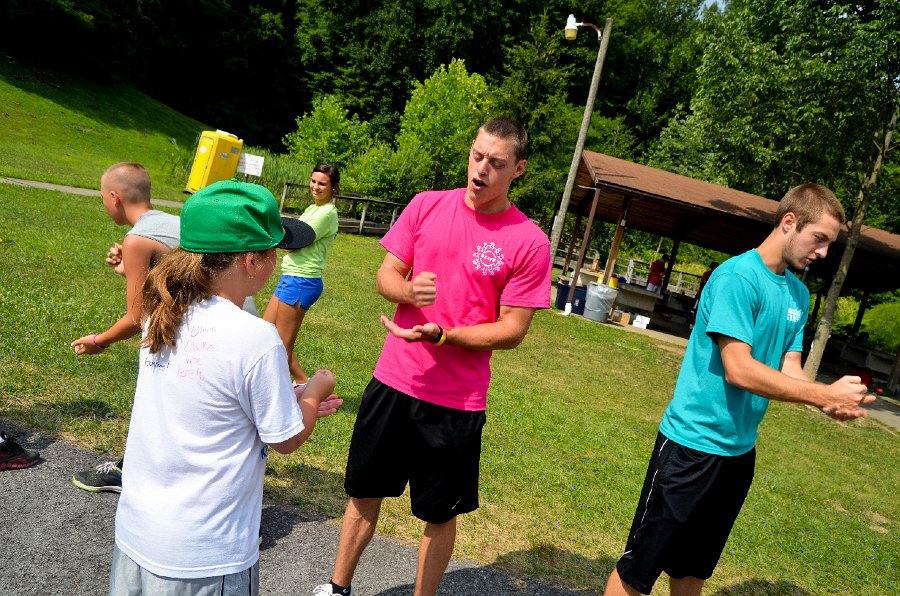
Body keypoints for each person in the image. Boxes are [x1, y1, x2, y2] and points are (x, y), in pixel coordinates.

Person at [313, 118, 551, 596]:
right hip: (394, 379)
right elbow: (387, 274)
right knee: (365, 492)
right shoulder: (426, 205)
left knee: (439, 512)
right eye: (477, 155)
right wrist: (405, 289)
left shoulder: (529, 241)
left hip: (456, 401)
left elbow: (512, 330)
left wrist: (445, 335)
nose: (481, 169)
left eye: (496, 163)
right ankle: (338, 587)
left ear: (518, 169)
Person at [604, 184, 874, 596]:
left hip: (737, 456)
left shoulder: (798, 294)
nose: (822, 253)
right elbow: (740, 370)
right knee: (639, 568)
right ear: (789, 222)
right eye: (819, 238)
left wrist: (828, 400)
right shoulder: (737, 278)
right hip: (690, 448)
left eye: (829, 244)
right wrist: (823, 395)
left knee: (693, 569)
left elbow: (791, 368)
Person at [109, 179, 343, 596]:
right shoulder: (255, 338)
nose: (277, 261)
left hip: (136, 534)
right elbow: (287, 439)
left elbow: (210, 398)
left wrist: (284, 401)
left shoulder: (161, 312)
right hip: (205, 556)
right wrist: (312, 392)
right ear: (253, 261)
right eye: (275, 251)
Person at [264, 163, 340, 387]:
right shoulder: (313, 208)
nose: (316, 187)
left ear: (333, 188)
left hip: (302, 280)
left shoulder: (326, 213)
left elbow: (295, 242)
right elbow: (291, 237)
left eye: (322, 184)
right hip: (291, 277)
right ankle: (301, 380)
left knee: (281, 343)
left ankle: (279, 392)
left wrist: (287, 240)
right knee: (266, 332)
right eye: (313, 181)